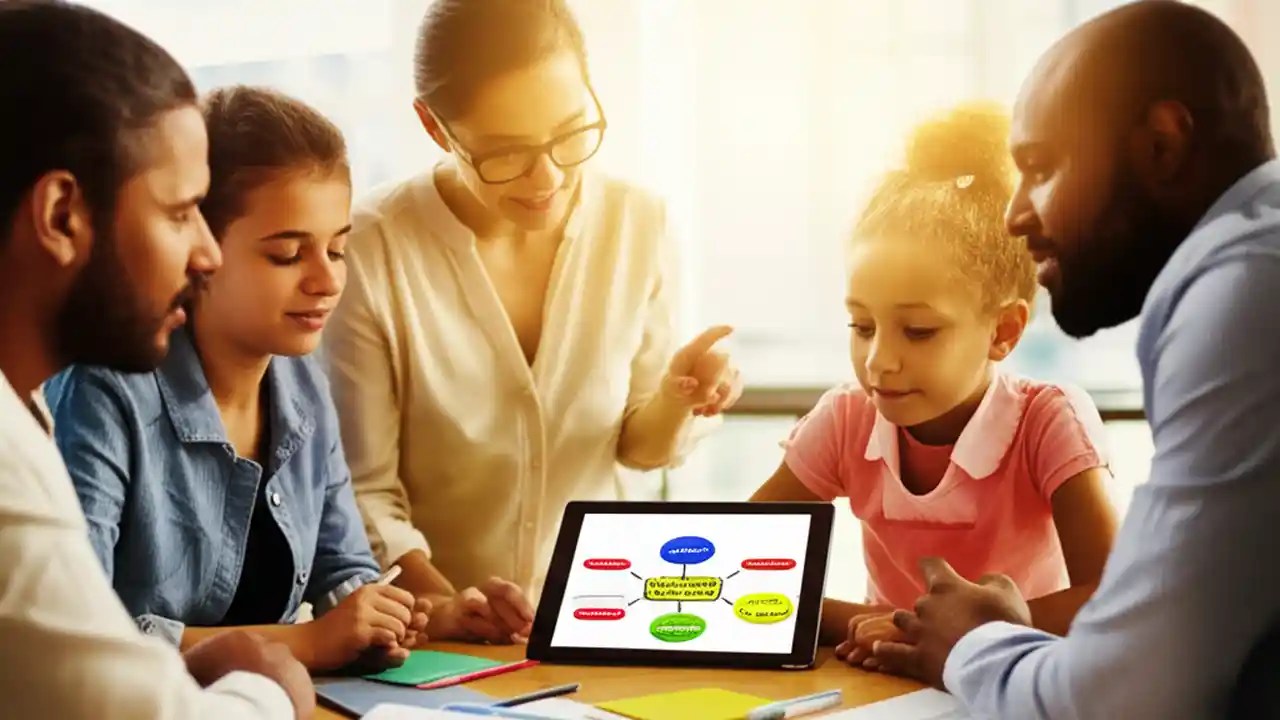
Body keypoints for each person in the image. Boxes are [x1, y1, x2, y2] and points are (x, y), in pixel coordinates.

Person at [863, 2, 1280, 718]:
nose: (1015, 214)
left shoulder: (1244, 295)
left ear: (1162, 143)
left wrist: (973, 641)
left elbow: (1121, 696)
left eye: (1042, 168)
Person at [323, 0, 742, 635]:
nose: (549, 176)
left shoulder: (640, 223)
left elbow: (637, 448)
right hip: (431, 636)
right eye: (505, 152)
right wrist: (451, 608)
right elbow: (366, 491)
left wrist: (678, 395)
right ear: (435, 128)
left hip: (601, 619)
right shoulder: (372, 248)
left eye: (571, 132)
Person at [44, 86, 429, 673]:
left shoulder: (302, 383)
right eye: (287, 255)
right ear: (196, 245)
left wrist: (381, 613)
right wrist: (304, 644)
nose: (327, 281)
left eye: (338, 249)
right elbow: (84, 632)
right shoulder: (105, 391)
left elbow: (342, 565)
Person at [0, 3, 311, 719]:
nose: (205, 254)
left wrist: (165, 668)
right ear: (60, 217)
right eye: (180, 212)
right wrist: (267, 689)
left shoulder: (27, 402)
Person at [749, 104, 1117, 656]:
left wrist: (962, 630)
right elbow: (731, 556)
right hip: (884, 687)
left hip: (1016, 682)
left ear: (1004, 331)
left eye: (917, 331)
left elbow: (1113, 597)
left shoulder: (1049, 422)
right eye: (862, 325)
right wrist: (888, 627)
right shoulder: (847, 418)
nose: (878, 361)